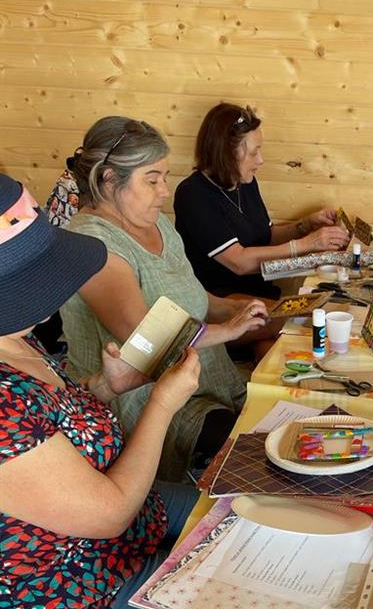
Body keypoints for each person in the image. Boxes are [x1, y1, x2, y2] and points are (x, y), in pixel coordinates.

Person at [0, 173, 323, 609]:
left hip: (101, 532)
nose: (51, 289)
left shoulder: (16, 342)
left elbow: (55, 433)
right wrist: (162, 403)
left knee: (244, 511)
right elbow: (107, 510)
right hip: (50, 602)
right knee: (247, 587)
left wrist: (107, 384)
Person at [61, 116, 270, 482]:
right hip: (146, 402)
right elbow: (145, 337)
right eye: (152, 179)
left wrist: (233, 308)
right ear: (110, 180)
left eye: (165, 177)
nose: (164, 191)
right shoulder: (89, 242)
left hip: (204, 381)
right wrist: (226, 330)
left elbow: (189, 294)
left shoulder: (157, 223)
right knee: (260, 459)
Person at [173, 102, 350, 300]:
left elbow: (265, 236)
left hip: (262, 295)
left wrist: (305, 225)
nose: (261, 160)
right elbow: (239, 262)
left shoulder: (244, 181)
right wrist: (308, 244)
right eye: (253, 152)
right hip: (223, 302)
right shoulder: (193, 195)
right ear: (226, 153)